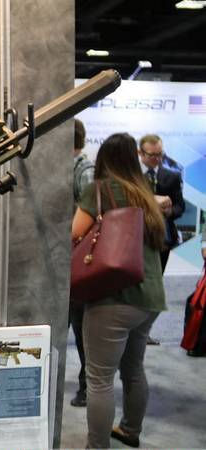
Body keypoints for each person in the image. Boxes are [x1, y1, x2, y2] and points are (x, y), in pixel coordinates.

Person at [72, 133, 166, 449]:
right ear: (133, 158)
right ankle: (130, 430)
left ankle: (96, 446)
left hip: (114, 297)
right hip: (149, 298)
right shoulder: (144, 192)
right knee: (134, 368)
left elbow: (74, 234)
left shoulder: (98, 190)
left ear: (104, 159)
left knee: (99, 380)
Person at [138, 134, 184, 346]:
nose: (156, 159)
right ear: (141, 153)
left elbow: (179, 207)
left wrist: (165, 212)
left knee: (155, 285)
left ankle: (144, 332)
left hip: (162, 239)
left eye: (160, 154)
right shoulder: (133, 177)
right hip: (135, 238)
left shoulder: (171, 176)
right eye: (152, 155)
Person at [69, 119, 92, 408]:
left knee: (82, 330)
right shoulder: (74, 169)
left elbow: (90, 222)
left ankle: (87, 387)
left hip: (76, 262)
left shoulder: (85, 172)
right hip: (66, 259)